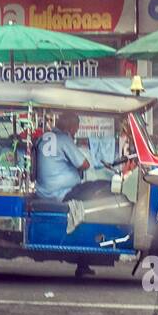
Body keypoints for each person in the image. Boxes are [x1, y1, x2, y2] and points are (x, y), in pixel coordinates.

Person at [35, 112, 94, 277]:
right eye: (76, 127)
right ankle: (83, 262)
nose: (76, 131)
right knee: (95, 198)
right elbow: (84, 164)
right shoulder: (64, 140)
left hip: (45, 190)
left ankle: (84, 263)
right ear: (70, 126)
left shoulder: (44, 137)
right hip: (61, 193)